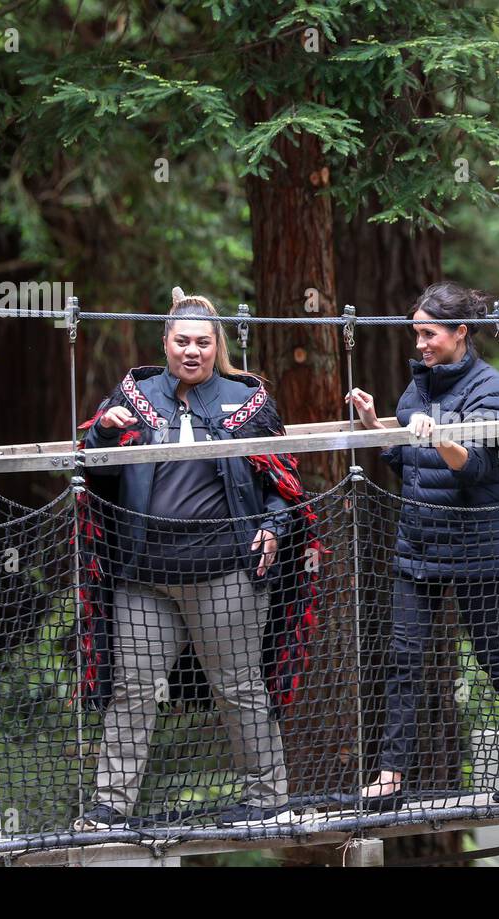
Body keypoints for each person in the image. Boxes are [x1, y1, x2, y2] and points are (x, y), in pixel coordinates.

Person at [72, 288, 314, 830]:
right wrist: (101, 434)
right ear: (165, 343)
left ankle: (268, 800)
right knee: (132, 690)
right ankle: (112, 805)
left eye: (202, 343)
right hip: (144, 576)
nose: (191, 351)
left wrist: (273, 528)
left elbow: (282, 482)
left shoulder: (246, 401)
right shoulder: (134, 397)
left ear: (216, 345)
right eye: (181, 341)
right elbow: (95, 472)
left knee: (239, 686)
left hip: (225, 572)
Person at [345, 281, 499, 809]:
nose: (420, 343)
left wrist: (436, 434)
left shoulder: (494, 391)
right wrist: (380, 429)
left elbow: (480, 469)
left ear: (461, 332)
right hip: (417, 545)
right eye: (416, 333)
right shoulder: (417, 390)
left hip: (475, 544)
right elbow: (408, 467)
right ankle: (391, 776)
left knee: (490, 652)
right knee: (403, 658)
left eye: (430, 333)